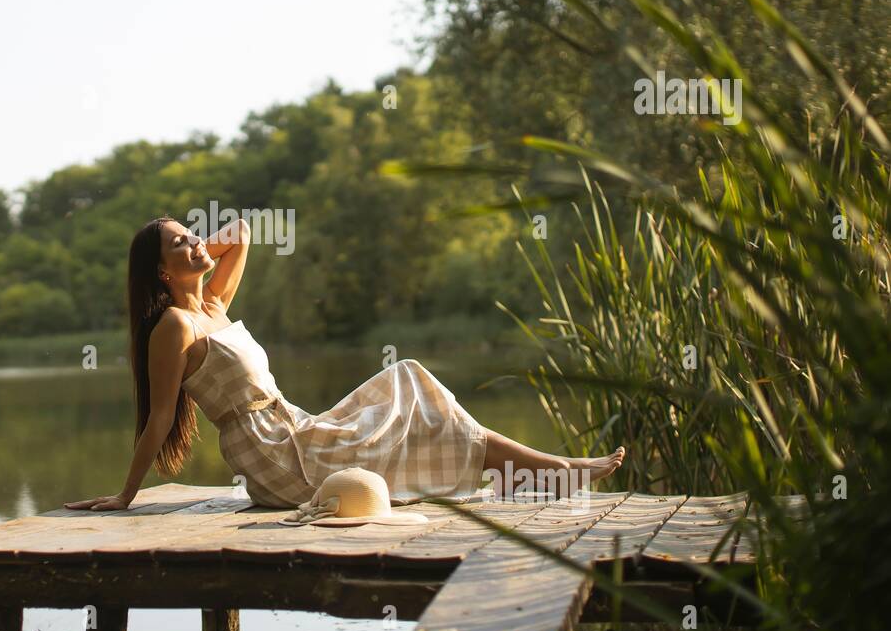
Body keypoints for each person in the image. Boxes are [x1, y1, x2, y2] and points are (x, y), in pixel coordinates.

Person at [65, 215, 625, 512]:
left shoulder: (213, 306)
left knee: (413, 388)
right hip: (273, 456)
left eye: (191, 235)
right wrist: (125, 495)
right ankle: (554, 472)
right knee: (407, 392)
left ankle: (543, 472)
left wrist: (195, 247)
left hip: (295, 429)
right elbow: (160, 417)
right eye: (179, 245)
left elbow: (243, 234)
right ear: (162, 272)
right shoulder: (175, 327)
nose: (195, 245)